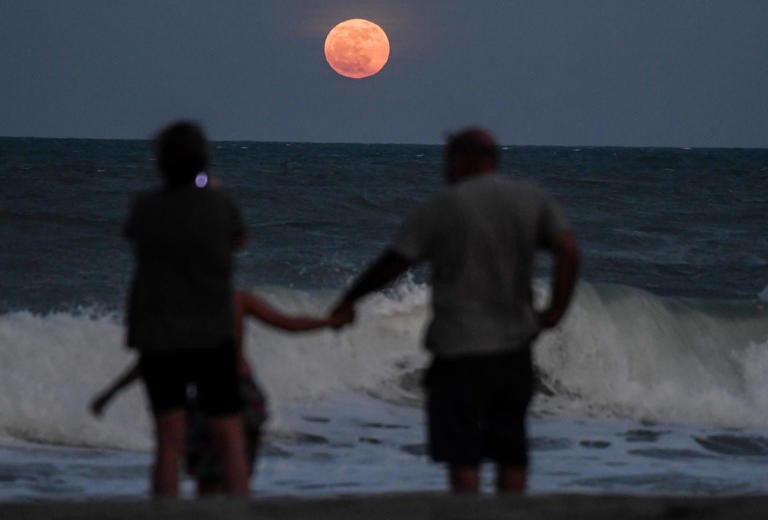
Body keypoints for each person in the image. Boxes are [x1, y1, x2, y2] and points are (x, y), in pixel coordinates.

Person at [330, 127, 579, 494]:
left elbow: (395, 262)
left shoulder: (445, 205)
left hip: (459, 350)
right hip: (514, 348)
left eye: (447, 159)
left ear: (462, 160)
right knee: (511, 449)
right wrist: (555, 310)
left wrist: (349, 300)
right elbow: (569, 250)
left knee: (463, 454)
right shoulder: (531, 199)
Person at [91, 290, 345, 495]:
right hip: (244, 392)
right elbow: (287, 323)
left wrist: (111, 392)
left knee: (208, 479)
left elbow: (152, 359)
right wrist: (331, 321)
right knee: (239, 469)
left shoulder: (181, 308)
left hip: (206, 395)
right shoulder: (236, 298)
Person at [124, 121, 250, 497]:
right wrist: (208, 188)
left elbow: (134, 237)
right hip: (212, 330)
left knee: (169, 442)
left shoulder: (145, 207)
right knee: (229, 437)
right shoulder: (220, 203)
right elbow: (239, 239)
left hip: (158, 332)